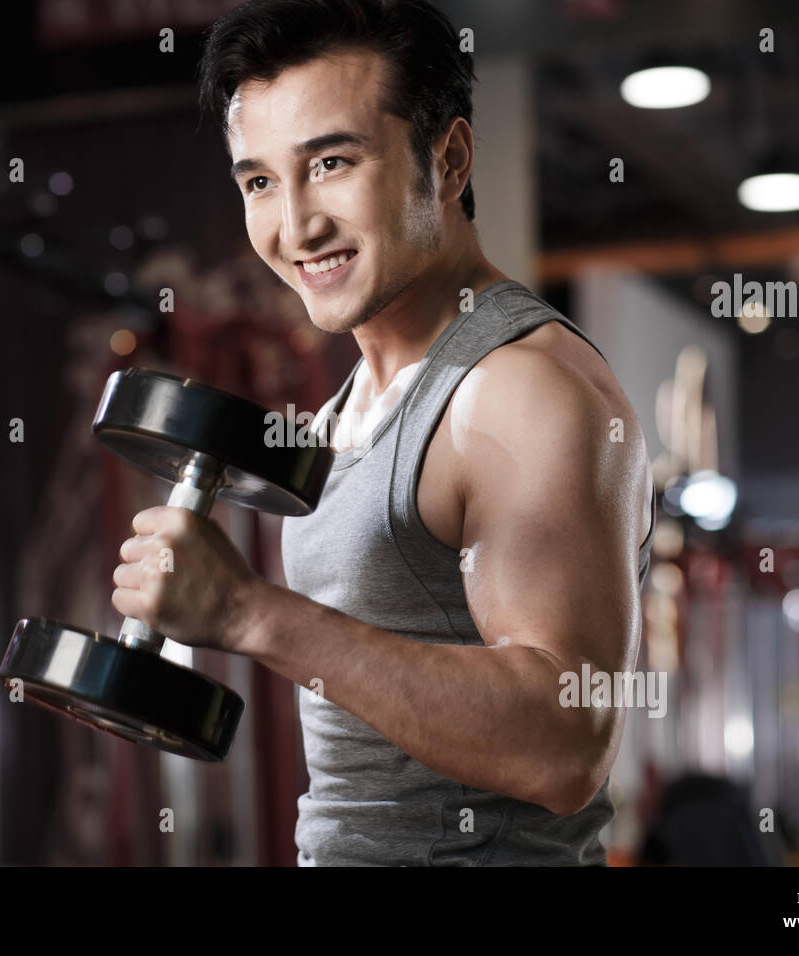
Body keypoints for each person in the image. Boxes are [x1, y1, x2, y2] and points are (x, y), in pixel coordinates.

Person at [110, 0, 655, 866]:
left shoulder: (520, 391)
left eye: (330, 163)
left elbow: (566, 745)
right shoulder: (360, 397)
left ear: (448, 159)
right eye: (259, 181)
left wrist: (249, 613)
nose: (295, 226)